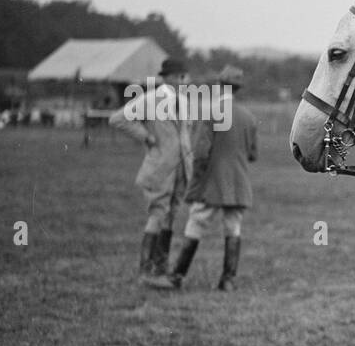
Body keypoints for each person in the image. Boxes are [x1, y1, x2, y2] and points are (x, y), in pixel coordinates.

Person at [154, 65, 258, 291]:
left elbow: (200, 153)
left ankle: (177, 275)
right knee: (233, 228)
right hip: (238, 183)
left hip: (211, 181)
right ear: (238, 88)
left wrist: (195, 186)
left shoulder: (210, 112)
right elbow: (252, 154)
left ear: (220, 85)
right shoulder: (249, 117)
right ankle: (228, 280)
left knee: (195, 225)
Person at [108, 57, 193, 285]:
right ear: (171, 78)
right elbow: (118, 119)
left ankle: (160, 270)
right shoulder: (151, 99)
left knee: (169, 217)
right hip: (160, 170)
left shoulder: (183, 101)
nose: (184, 81)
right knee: (158, 215)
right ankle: (146, 272)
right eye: (181, 77)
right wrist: (146, 136)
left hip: (181, 171)